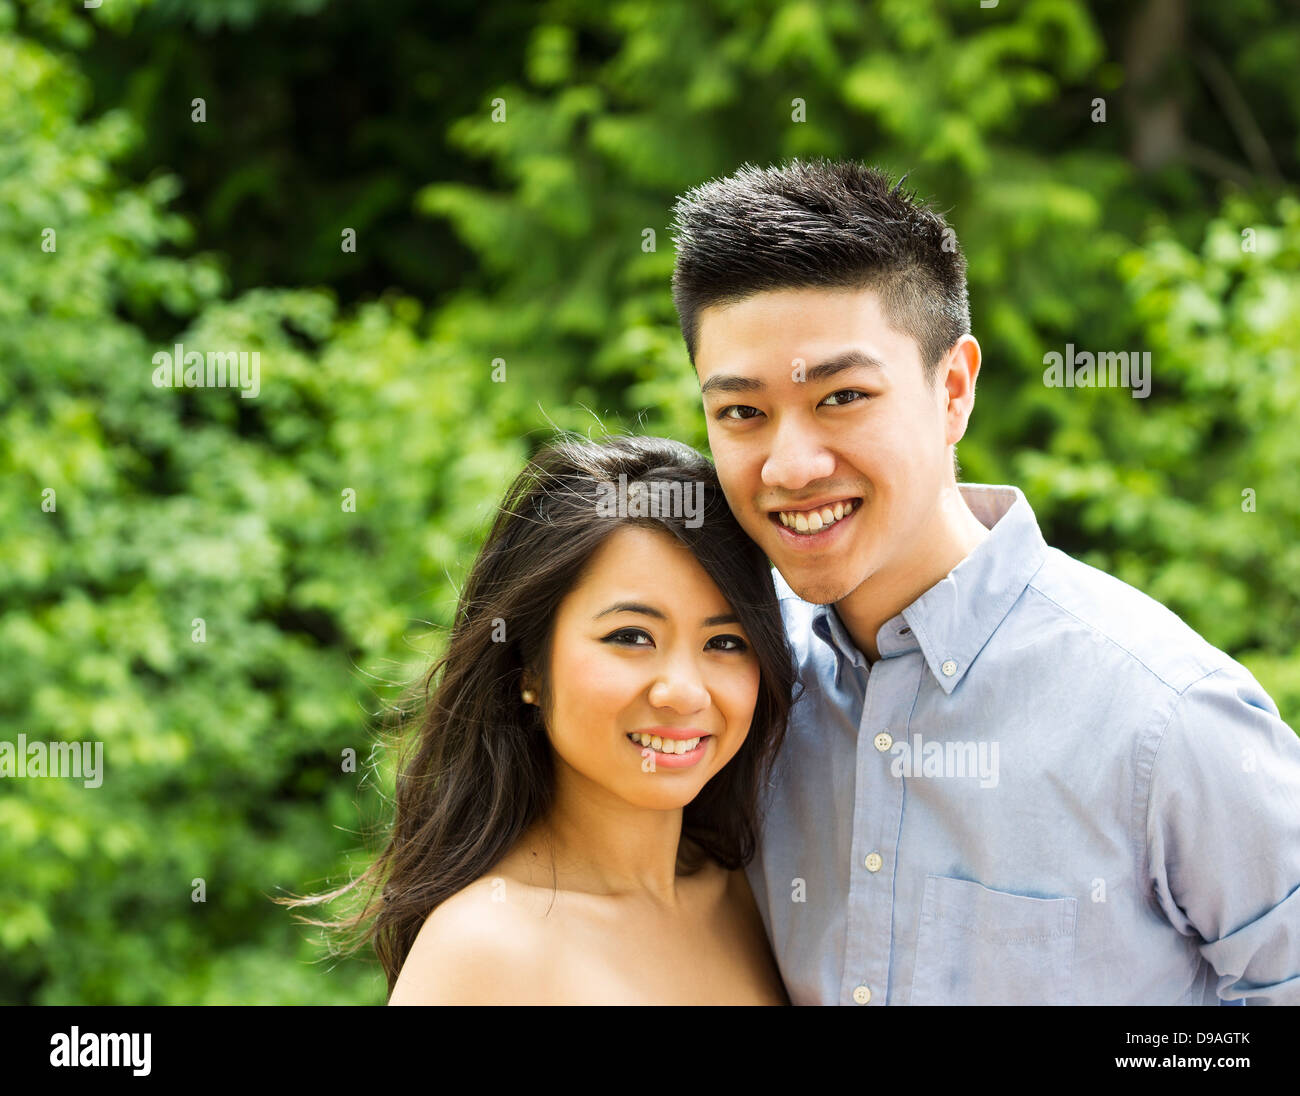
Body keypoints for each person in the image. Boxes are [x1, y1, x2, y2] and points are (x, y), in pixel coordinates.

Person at [668, 158, 1300, 1005]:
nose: (791, 466)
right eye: (742, 413)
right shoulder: (729, 690)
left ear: (954, 388)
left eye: (844, 396)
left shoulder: (1166, 714)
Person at [284, 434, 795, 1004]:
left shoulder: (751, 897)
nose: (682, 690)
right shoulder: (485, 947)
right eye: (631, 636)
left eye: (725, 642)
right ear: (528, 666)